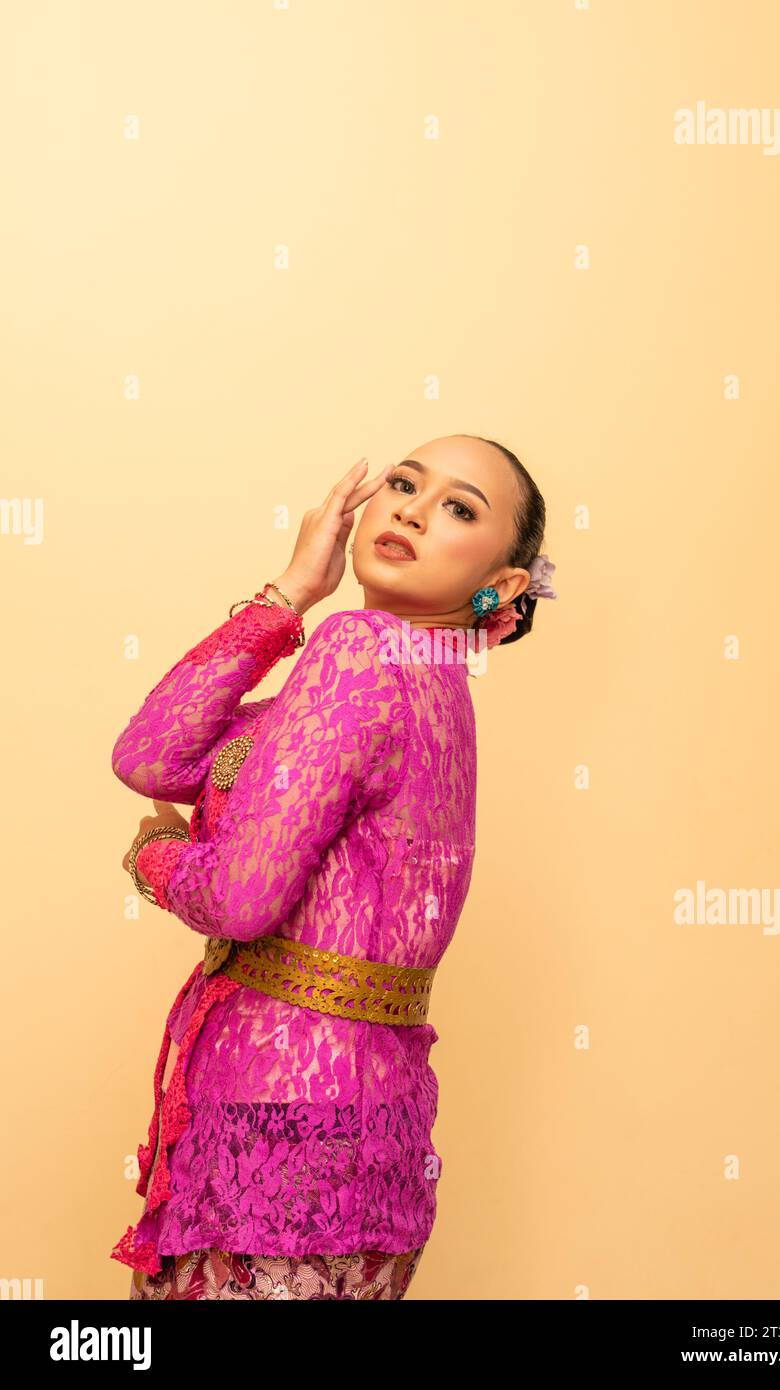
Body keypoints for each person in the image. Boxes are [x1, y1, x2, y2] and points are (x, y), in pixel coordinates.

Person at [112, 434, 556, 1300]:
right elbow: (152, 756)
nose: (413, 510)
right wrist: (290, 593)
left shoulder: (359, 652)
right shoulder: (429, 683)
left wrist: (157, 859)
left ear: (499, 589)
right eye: (403, 483)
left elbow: (239, 897)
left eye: (459, 508)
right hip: (376, 1132)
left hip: (277, 1125)